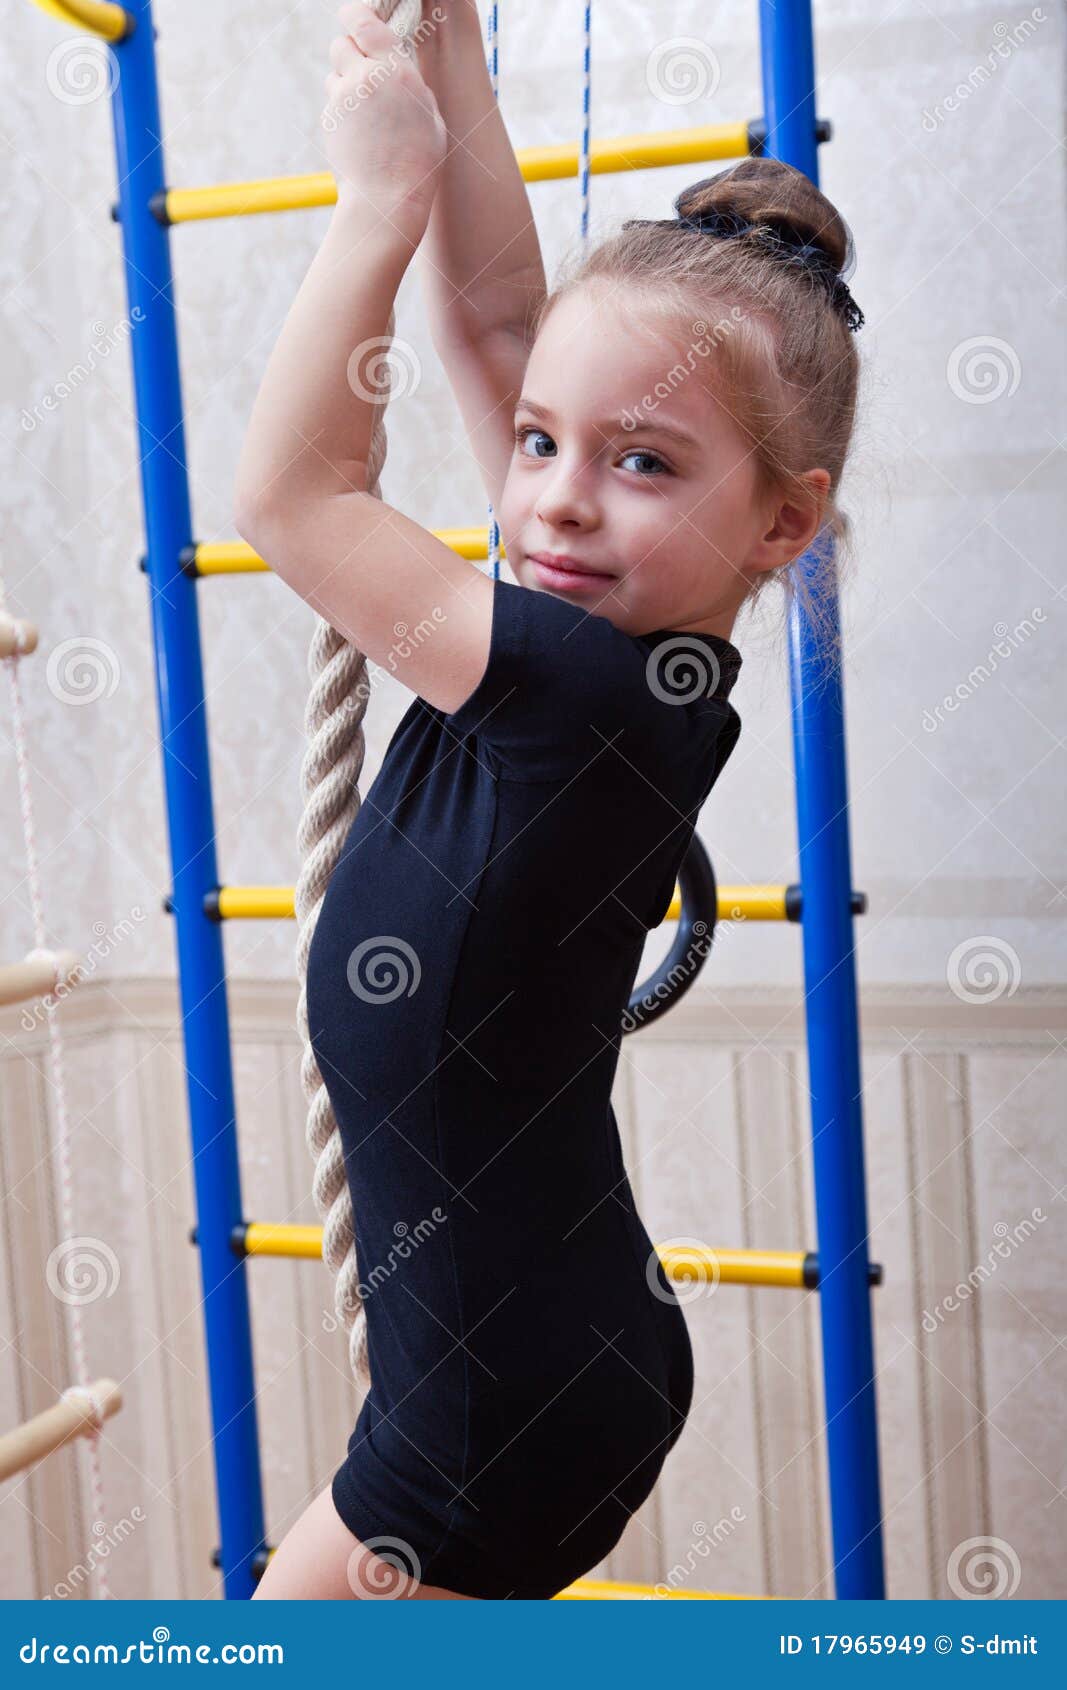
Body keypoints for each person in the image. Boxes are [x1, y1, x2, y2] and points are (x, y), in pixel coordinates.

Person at [235, 0, 862, 1600]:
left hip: (490, 1417)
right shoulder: (593, 641)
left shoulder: (578, 695)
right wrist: (448, 54)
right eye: (538, 445)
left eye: (645, 462)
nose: (557, 497)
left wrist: (378, 200)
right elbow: (506, 314)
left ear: (784, 523)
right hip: (542, 1361)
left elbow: (295, 500)